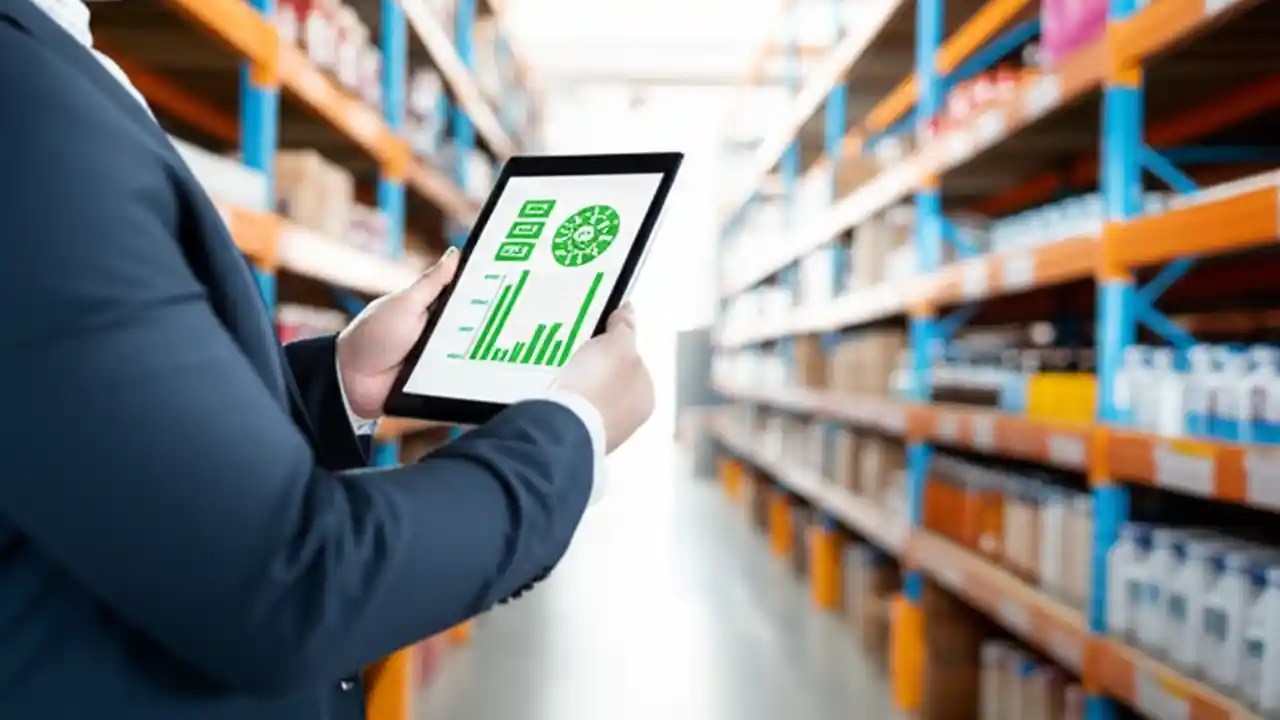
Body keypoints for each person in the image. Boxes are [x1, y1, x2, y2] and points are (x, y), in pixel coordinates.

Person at [0, 0, 655, 717]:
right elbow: (284, 583)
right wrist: (569, 434)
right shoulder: (21, 93)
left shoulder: (52, 55)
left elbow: (100, 447)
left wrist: (334, 382)